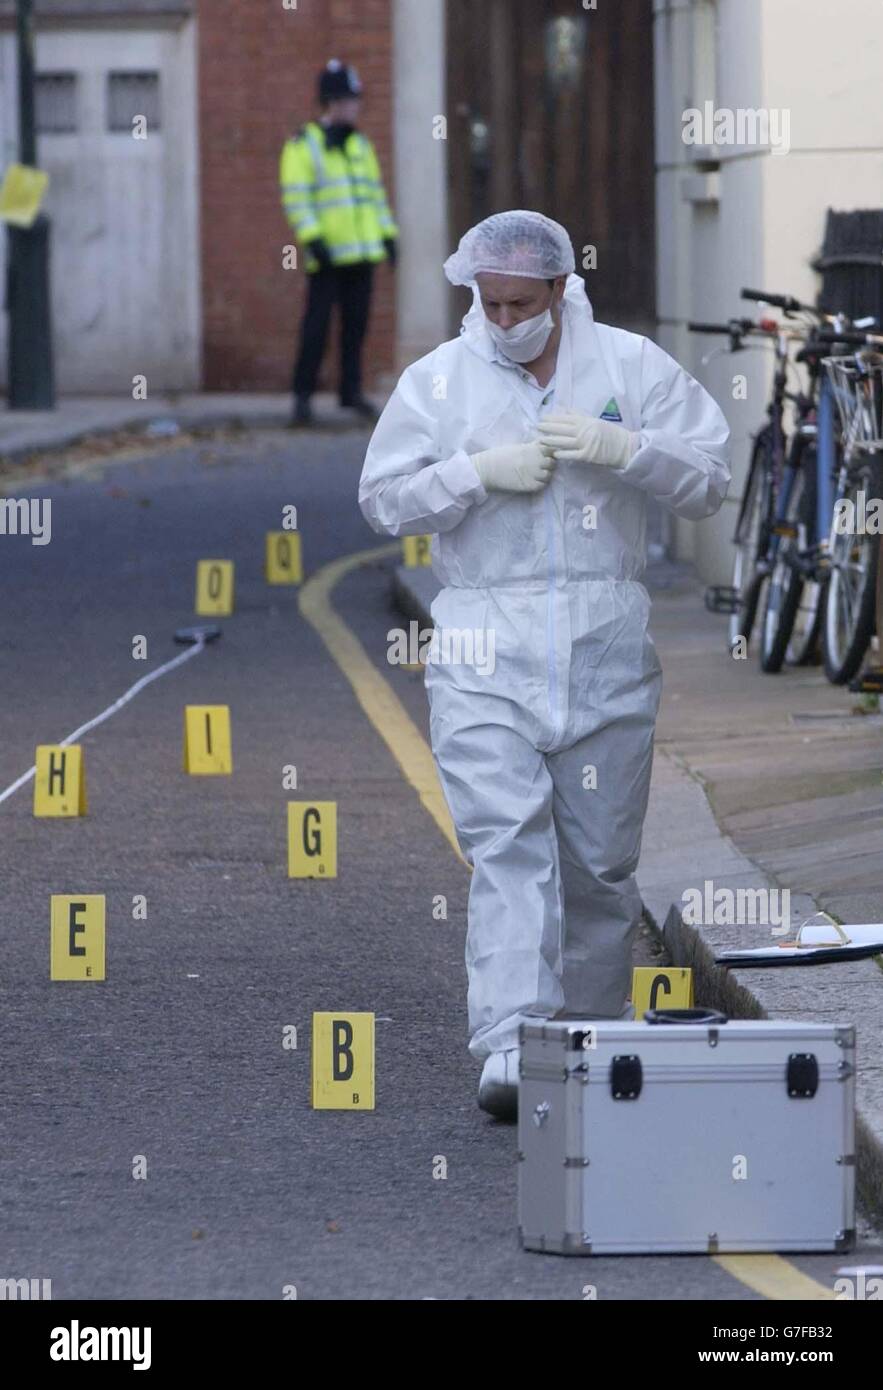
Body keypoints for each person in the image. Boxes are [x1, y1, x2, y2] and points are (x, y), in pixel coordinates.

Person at [358, 211, 731, 1120]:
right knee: (508, 849)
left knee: (598, 866)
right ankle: (513, 1042)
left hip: (604, 645)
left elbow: (712, 475)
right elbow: (382, 499)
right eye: (488, 302)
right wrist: (475, 473)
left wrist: (626, 450)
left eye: (520, 302)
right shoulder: (440, 383)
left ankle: (585, 1038)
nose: (502, 317)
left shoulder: (630, 368)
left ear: (561, 290)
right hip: (485, 644)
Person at [279, 59, 398, 426]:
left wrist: (388, 236)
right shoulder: (304, 145)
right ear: (331, 102)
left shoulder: (360, 144)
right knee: (315, 329)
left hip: (362, 254)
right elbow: (296, 197)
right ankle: (302, 398)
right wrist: (312, 239)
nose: (356, 106)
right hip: (328, 257)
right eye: (350, 99)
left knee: (355, 327)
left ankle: (350, 392)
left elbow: (373, 196)